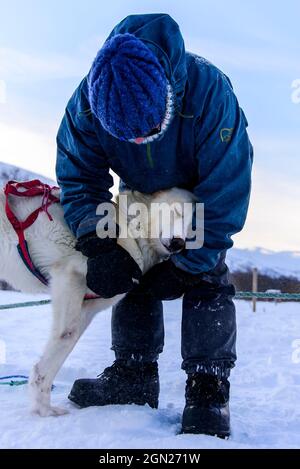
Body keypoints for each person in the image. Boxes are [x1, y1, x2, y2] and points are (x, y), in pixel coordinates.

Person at [56, 13, 253, 438]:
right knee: (129, 265)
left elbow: (227, 191)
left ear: (168, 92)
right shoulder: (87, 103)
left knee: (206, 273)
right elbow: (78, 174)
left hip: (198, 190)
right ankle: (134, 372)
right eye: (128, 136)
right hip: (137, 192)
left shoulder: (209, 94)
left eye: (148, 130)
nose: (141, 140)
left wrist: (190, 263)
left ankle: (208, 386)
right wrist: (96, 238)